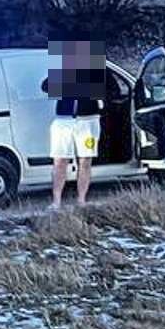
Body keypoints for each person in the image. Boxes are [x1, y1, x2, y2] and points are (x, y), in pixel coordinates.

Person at [45, 39, 106, 208]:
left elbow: (111, 90)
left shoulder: (96, 72)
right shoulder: (63, 72)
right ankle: (56, 200)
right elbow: (46, 86)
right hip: (64, 121)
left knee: (85, 160)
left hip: (88, 121)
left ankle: (81, 200)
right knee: (59, 160)